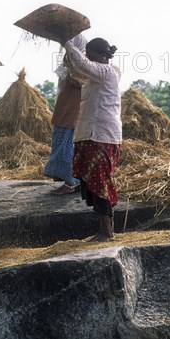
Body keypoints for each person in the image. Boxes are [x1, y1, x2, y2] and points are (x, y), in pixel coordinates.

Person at [61, 37, 122, 242]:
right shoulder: (95, 76)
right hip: (90, 134)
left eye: (89, 52)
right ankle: (104, 229)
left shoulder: (107, 71)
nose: (86, 56)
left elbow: (83, 65)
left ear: (100, 55)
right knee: (92, 182)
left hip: (102, 135)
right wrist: (69, 56)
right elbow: (77, 71)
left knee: (100, 182)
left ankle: (107, 231)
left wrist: (66, 42)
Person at [44, 33, 87, 195]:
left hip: (72, 111)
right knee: (63, 145)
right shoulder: (71, 61)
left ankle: (71, 183)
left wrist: (71, 67)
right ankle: (73, 182)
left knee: (67, 147)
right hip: (65, 109)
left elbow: (80, 81)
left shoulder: (81, 62)